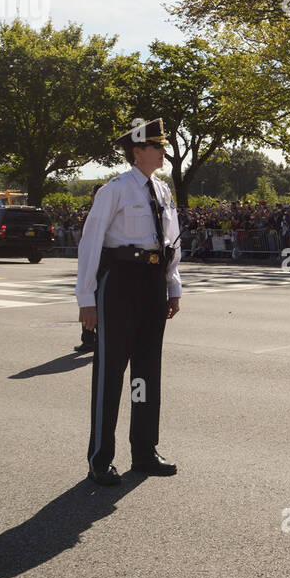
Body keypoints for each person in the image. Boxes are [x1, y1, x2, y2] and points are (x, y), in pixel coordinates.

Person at [77, 118, 182, 486]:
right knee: (110, 371)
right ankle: (100, 457)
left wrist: (173, 287)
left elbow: (171, 241)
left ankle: (143, 450)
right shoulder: (116, 190)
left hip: (152, 282)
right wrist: (86, 298)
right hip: (120, 281)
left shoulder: (163, 191)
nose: (163, 152)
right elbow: (90, 244)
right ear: (138, 151)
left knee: (146, 370)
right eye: (157, 147)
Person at [75, 182, 104, 353]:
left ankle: (88, 339)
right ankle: (93, 338)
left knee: (88, 302)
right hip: (104, 265)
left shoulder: (92, 215)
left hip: (95, 264)